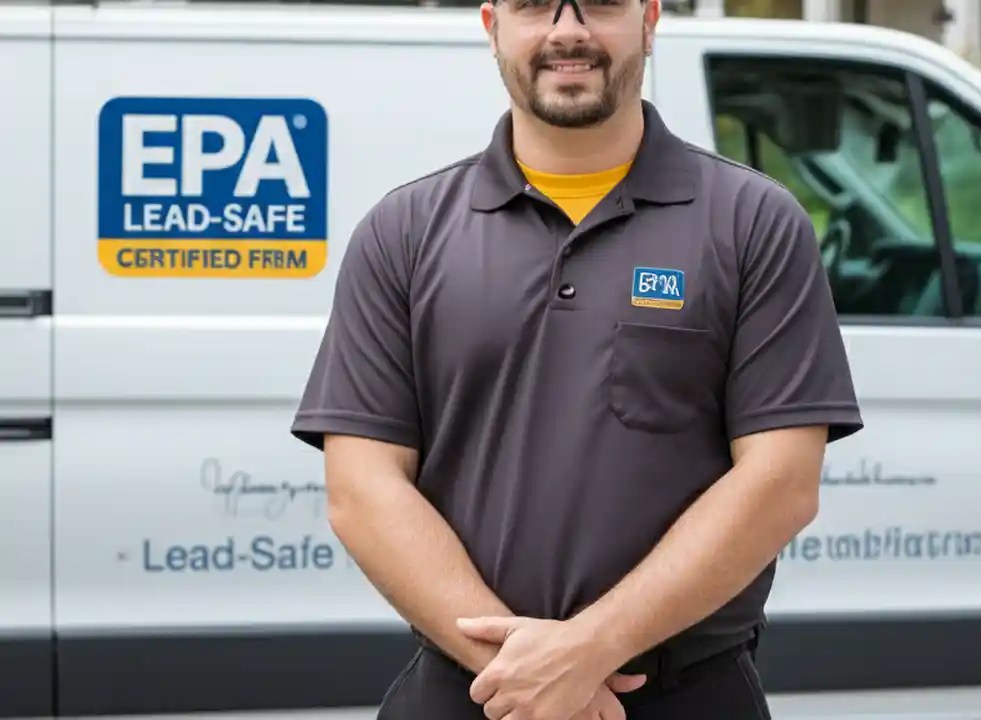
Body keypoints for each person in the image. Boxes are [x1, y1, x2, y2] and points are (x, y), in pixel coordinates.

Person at [289, 0, 863, 715]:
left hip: (685, 691)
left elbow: (780, 483)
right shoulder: (402, 233)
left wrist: (590, 648)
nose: (567, 30)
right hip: (469, 690)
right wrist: (523, 675)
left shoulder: (754, 224)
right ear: (491, 24)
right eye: (535, 6)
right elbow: (362, 490)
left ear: (650, 19)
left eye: (600, 4)